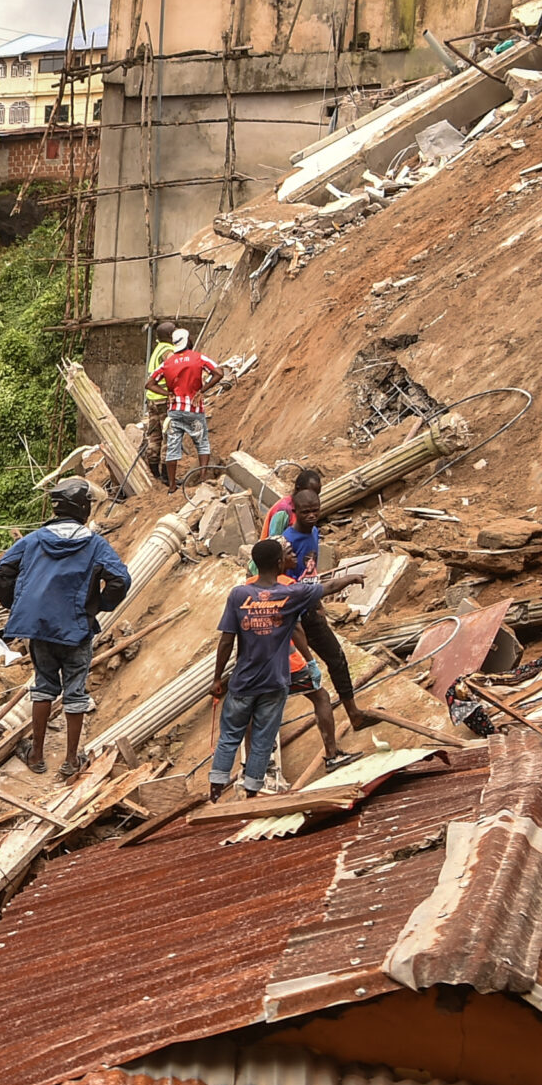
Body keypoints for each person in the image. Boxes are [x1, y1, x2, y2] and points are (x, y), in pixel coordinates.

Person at [0, 478, 132, 776]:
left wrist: (16, 605)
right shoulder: (94, 544)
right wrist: (99, 605)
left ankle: (37, 756)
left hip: (40, 628)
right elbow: (120, 579)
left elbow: (1, 572)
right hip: (77, 628)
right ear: (83, 508)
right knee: (76, 692)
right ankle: (70, 761)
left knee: (43, 688)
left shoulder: (34, 539)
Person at [209, 540, 365, 799]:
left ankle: (215, 789)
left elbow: (227, 640)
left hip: (243, 681)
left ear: (255, 564)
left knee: (231, 734)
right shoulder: (290, 594)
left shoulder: (239, 594)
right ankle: (253, 791)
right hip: (275, 681)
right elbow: (325, 591)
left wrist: (217, 677)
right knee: (264, 736)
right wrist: (351, 577)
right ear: (280, 563)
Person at [146, 339, 222, 487]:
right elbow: (218, 373)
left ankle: (163, 478)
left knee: (161, 439)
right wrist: (200, 389)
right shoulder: (180, 354)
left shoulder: (161, 353)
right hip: (180, 405)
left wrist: (167, 393)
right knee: (189, 442)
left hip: (161, 403)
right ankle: (187, 477)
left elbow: (149, 383)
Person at [141, 327, 184, 477]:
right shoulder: (167, 350)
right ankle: (167, 475)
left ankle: (154, 472)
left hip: (152, 399)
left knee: (154, 435)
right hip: (164, 400)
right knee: (170, 435)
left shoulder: (157, 349)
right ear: (168, 335)